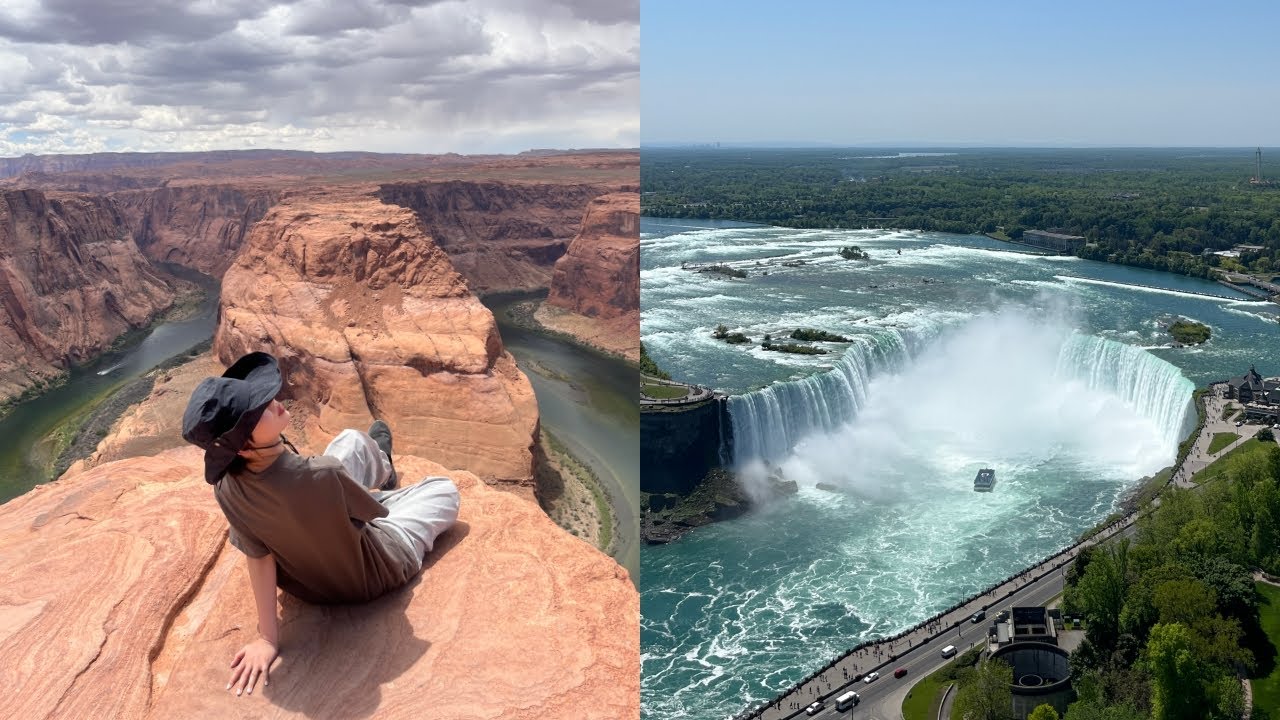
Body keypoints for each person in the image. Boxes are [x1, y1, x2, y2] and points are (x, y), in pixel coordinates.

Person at [182, 351, 460, 697]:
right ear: (240, 446)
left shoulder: (226, 488)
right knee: (443, 490)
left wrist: (268, 639)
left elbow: (259, 557)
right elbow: (372, 516)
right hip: (376, 569)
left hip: (307, 586)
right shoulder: (322, 475)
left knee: (351, 442)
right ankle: (384, 466)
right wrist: (344, 494)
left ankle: (380, 462)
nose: (274, 401)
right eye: (260, 409)